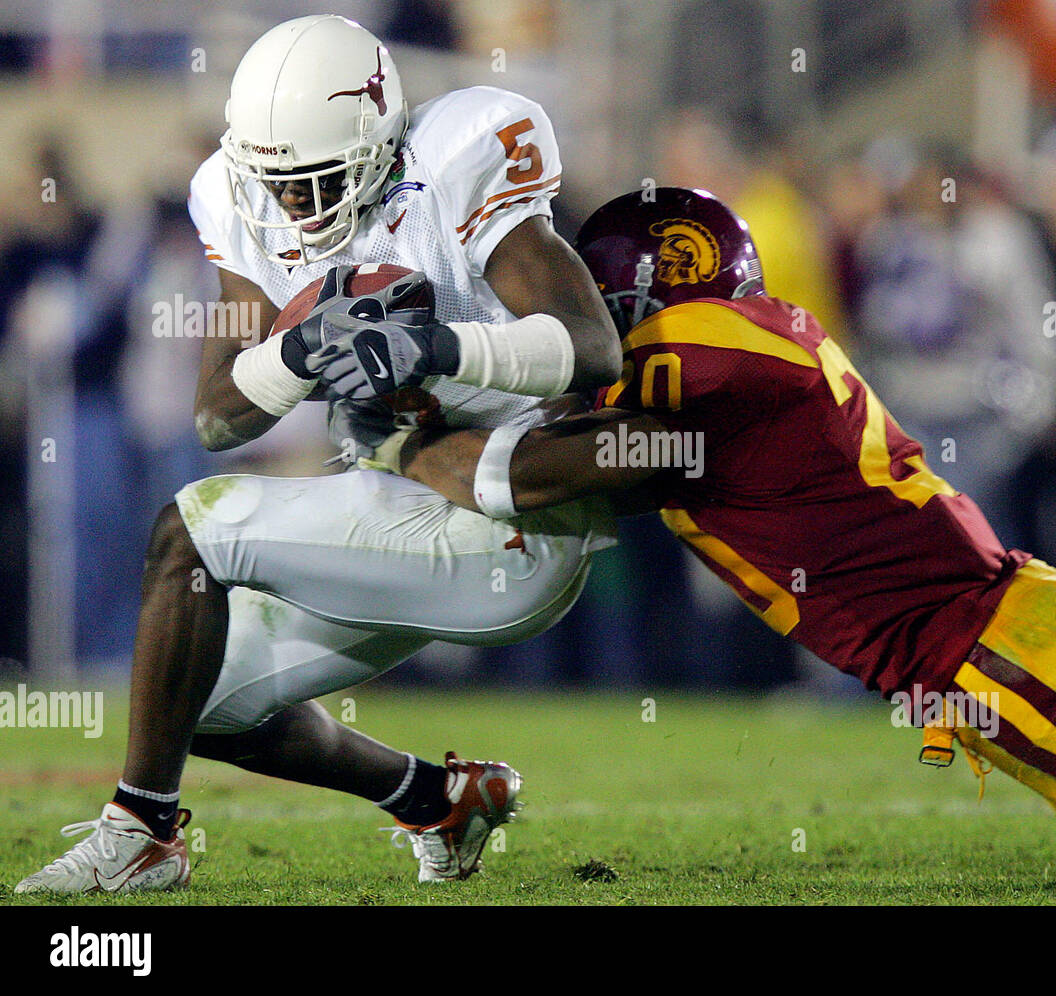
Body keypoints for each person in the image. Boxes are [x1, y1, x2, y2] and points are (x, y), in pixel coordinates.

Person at [341, 186, 1056, 883]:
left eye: (588, 295)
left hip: (1009, 655)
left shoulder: (691, 348)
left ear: (645, 280)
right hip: (1018, 637)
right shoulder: (739, 338)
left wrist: (406, 439)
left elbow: (575, 465)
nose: (571, 318)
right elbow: (597, 462)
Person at [15, 14, 621, 894]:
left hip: (511, 514)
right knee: (198, 698)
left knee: (190, 529)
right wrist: (296, 352)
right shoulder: (234, 194)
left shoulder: (456, 158)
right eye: (277, 183)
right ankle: (436, 800)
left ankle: (142, 830)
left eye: (316, 180)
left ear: (378, 143)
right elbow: (217, 416)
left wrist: (441, 350)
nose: (294, 205)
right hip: (392, 488)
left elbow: (592, 346)